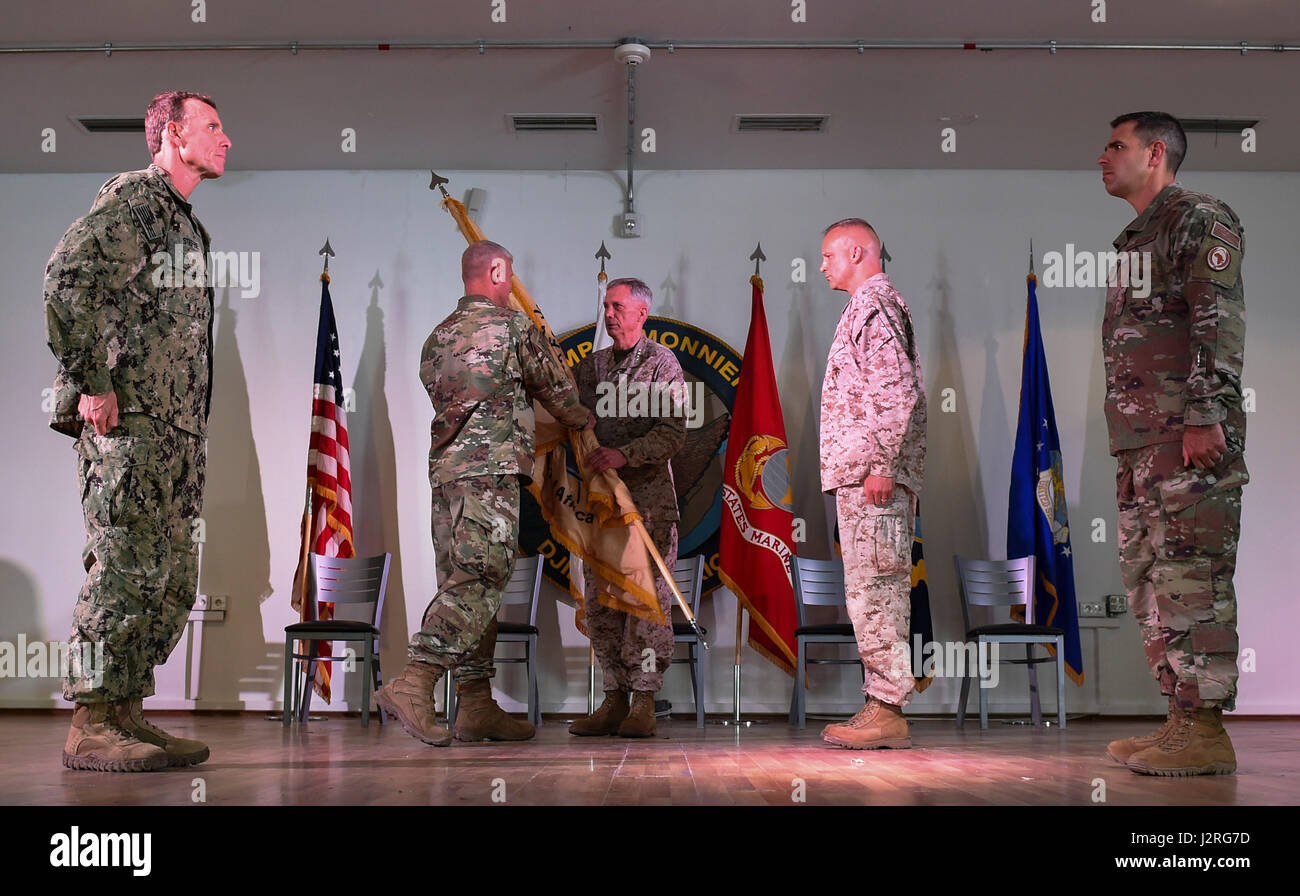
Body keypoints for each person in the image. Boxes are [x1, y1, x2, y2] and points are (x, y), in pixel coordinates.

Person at [46, 90, 231, 772]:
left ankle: (125, 711)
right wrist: (92, 381)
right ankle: (91, 721)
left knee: (167, 578)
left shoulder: (180, 220)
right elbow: (66, 279)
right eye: (213, 127)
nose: (226, 140)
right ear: (173, 135)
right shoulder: (137, 200)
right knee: (123, 568)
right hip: (133, 428)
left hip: (174, 434)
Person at [375, 240, 593, 746]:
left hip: (446, 478)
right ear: (496, 270)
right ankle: (417, 679)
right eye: (509, 273)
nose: (511, 283)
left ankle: (474, 705)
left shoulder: (437, 338)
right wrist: (583, 422)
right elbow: (557, 390)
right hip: (490, 474)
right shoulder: (513, 328)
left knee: (461, 582)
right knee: (481, 581)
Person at [1097, 111, 1246, 776]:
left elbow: (1217, 318)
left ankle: (1206, 729)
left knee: (1193, 580)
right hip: (1142, 445)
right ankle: (1180, 719)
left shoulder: (1197, 218)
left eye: (1116, 146)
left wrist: (1206, 413)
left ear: (1156, 153)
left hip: (1185, 440)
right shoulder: (1137, 236)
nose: (1103, 158)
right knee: (1151, 582)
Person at [816, 218, 926, 750]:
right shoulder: (863, 306)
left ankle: (887, 709)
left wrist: (883, 464)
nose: (821, 267)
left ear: (857, 252)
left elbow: (896, 391)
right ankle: (880, 703)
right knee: (868, 593)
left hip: (872, 479)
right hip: (861, 478)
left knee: (877, 592)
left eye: (829, 256)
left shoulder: (874, 305)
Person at [569, 277, 686, 738]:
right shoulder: (591, 367)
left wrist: (626, 453)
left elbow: (674, 431)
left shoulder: (661, 363)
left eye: (618, 306)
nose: (610, 314)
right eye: (606, 306)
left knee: (644, 604)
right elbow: (569, 419)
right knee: (602, 604)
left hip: (647, 509)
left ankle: (643, 701)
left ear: (641, 312)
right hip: (601, 509)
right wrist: (580, 423)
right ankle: (613, 697)